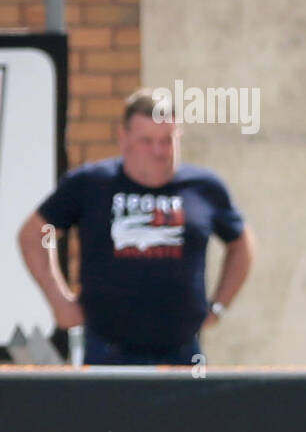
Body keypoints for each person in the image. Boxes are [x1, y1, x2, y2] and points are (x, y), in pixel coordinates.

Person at [17, 89, 254, 366]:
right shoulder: (90, 184)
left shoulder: (204, 187)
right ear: (124, 137)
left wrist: (219, 305)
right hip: (107, 349)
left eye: (167, 140)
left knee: (191, 412)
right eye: (146, 141)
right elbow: (35, 233)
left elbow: (241, 244)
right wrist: (59, 300)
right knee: (108, 412)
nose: (158, 151)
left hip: (182, 350)